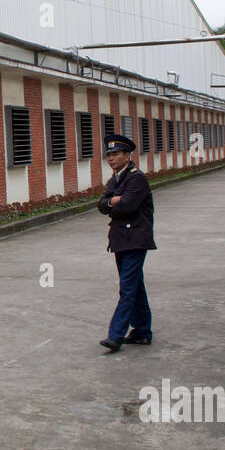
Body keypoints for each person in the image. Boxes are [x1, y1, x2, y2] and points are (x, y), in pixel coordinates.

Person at [97, 133, 155, 354]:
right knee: (135, 286)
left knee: (127, 288)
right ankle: (142, 331)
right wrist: (113, 201)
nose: (111, 158)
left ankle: (115, 335)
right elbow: (102, 205)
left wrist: (113, 202)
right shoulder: (116, 179)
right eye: (109, 155)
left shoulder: (136, 178)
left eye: (116, 154)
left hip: (135, 240)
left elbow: (128, 206)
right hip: (121, 241)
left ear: (127, 155)